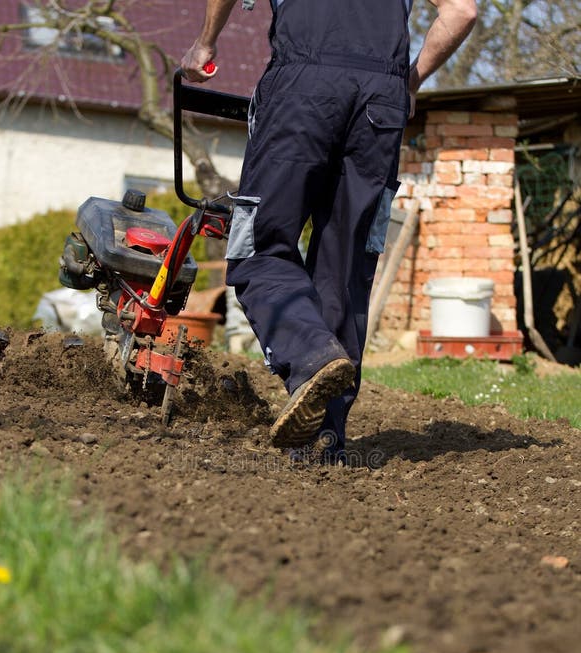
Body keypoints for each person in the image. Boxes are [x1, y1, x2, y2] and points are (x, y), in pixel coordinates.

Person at [182, 0, 477, 462]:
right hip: (381, 102)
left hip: (302, 88)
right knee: (347, 262)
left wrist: (205, 42)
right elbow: (462, 12)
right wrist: (409, 80)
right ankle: (325, 436)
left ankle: (309, 355)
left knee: (258, 247)